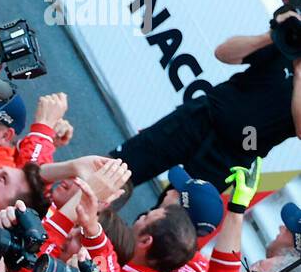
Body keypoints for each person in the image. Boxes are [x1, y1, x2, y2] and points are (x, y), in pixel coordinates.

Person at [112, 16, 301, 184]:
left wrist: (299, 75)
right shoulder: (290, 41)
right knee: (118, 170)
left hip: (233, 154)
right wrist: (273, 34)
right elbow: (223, 54)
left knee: (174, 217)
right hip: (201, 117)